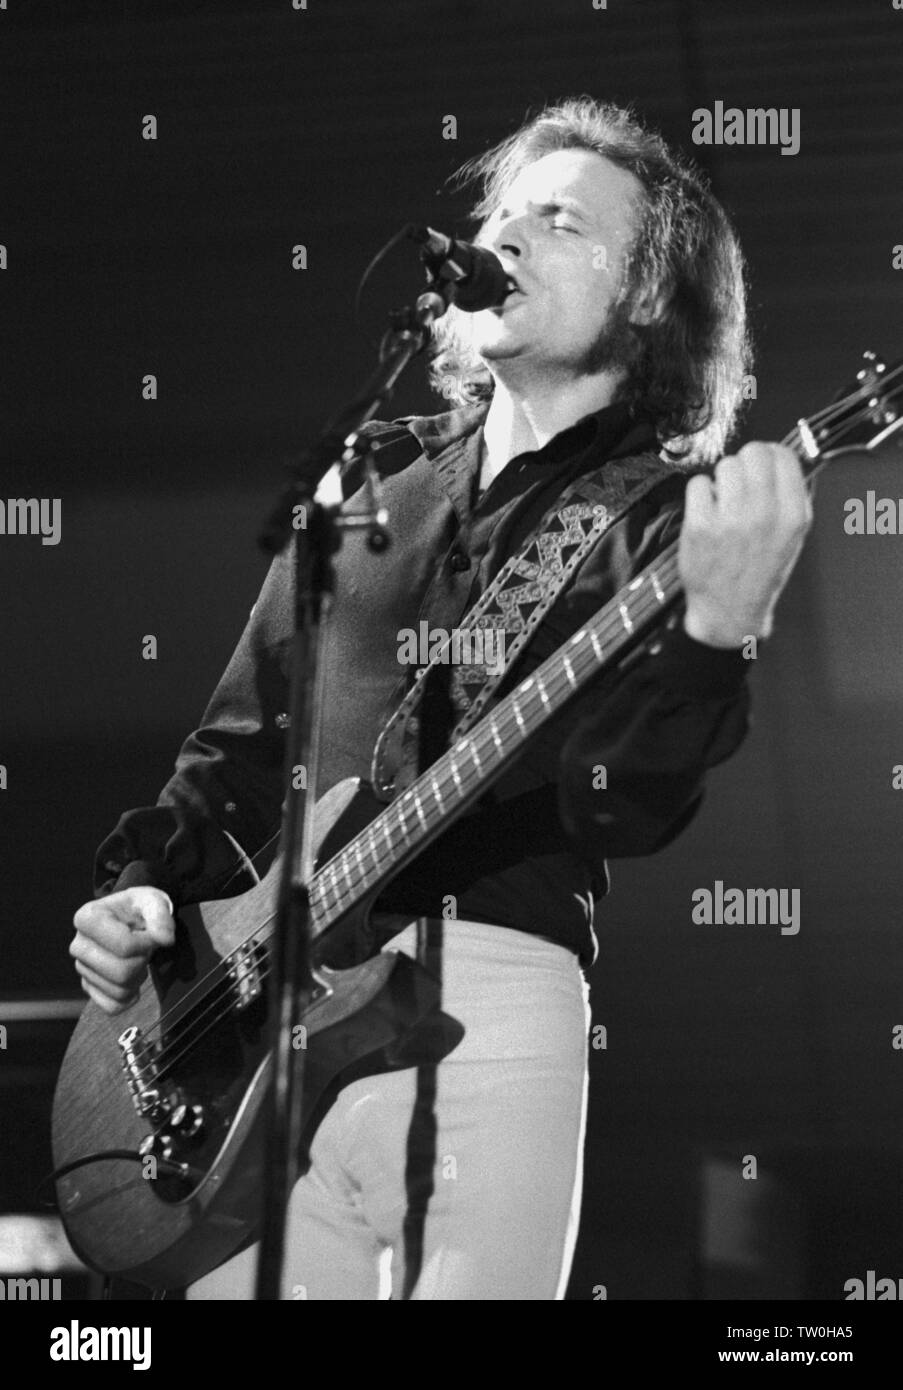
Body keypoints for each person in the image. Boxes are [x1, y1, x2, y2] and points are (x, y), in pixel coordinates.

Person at [68, 98, 812, 1299]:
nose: (505, 236)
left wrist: (718, 637)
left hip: (487, 1004)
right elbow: (237, 744)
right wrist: (143, 892)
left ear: (643, 295)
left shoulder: (657, 520)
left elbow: (622, 808)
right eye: (501, 214)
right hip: (249, 1031)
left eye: (557, 220)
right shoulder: (373, 478)